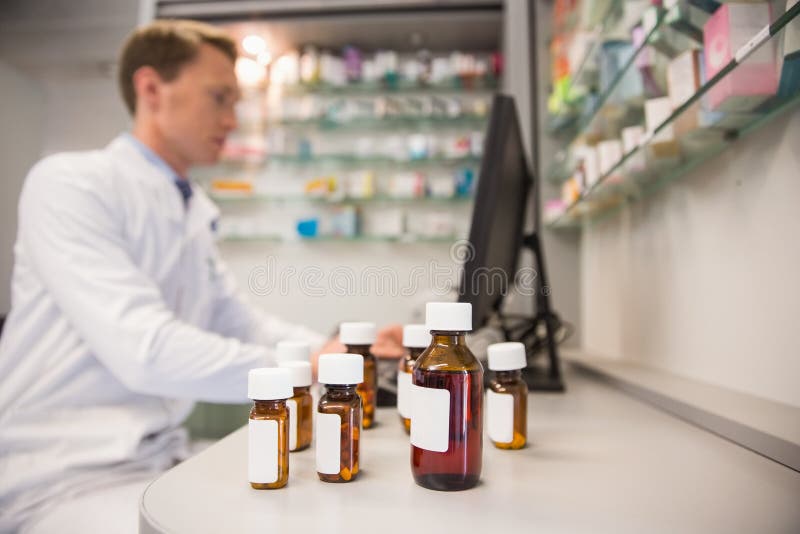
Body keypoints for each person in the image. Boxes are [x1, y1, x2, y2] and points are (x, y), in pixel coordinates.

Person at [0, 20, 402, 533]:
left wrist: (335, 349)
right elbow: (144, 349)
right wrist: (311, 363)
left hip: (158, 461)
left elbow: (238, 321)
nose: (232, 120)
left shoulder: (190, 208)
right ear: (151, 89)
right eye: (219, 98)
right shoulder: (70, 185)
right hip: (64, 475)